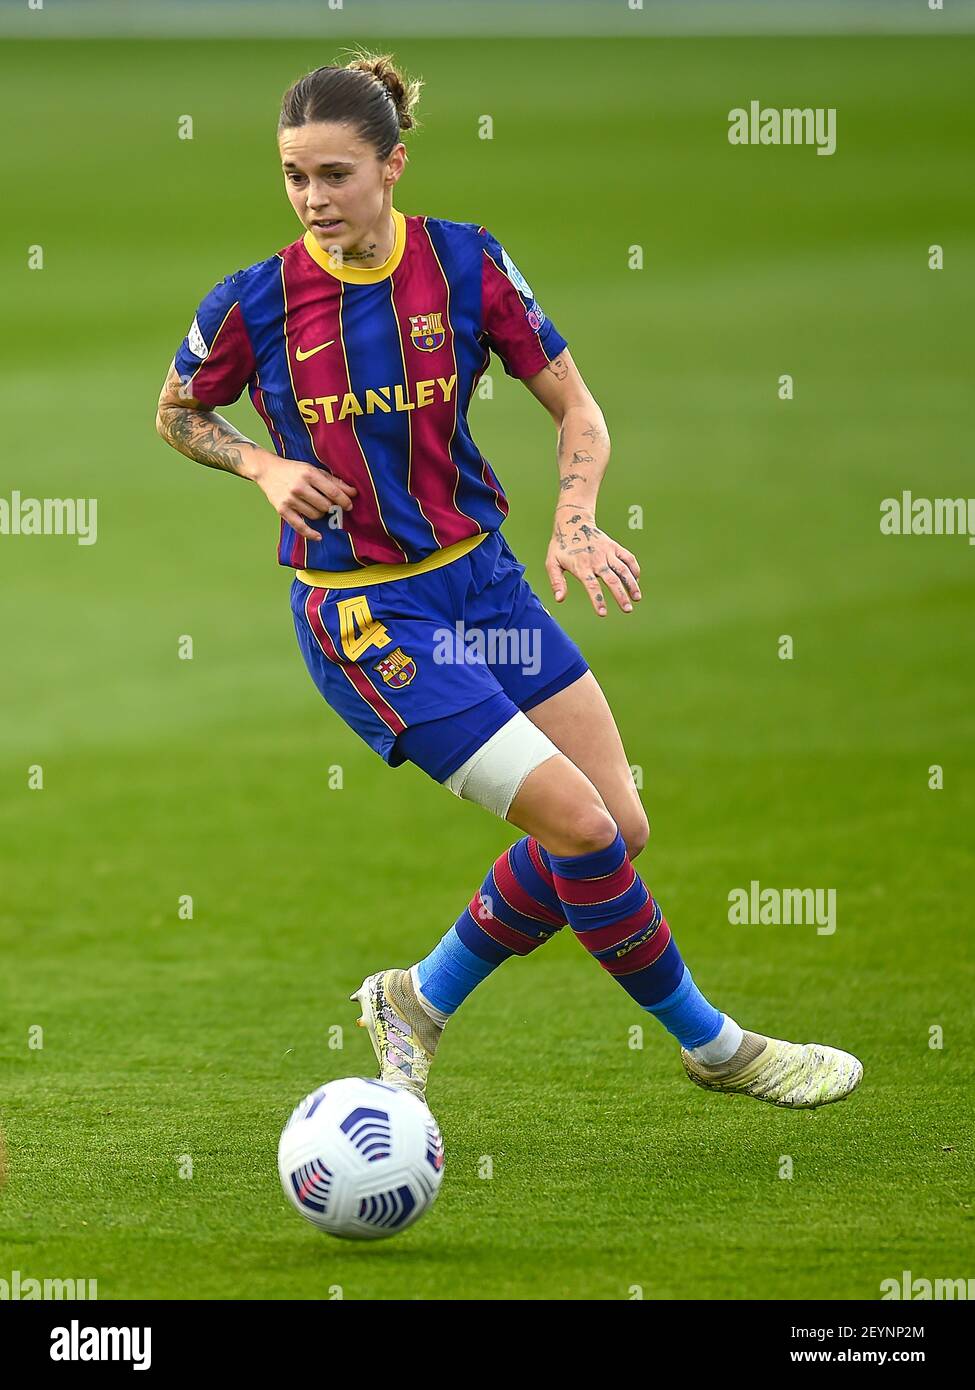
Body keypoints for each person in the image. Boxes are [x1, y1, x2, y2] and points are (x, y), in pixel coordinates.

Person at [155, 53, 863, 1112]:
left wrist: (574, 520)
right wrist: (260, 465)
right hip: (368, 613)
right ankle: (718, 1047)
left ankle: (416, 1000)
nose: (312, 199)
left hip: (484, 587)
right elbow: (176, 412)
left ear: (393, 166)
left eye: (336, 174)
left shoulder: (467, 265)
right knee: (577, 828)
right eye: (295, 175)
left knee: (617, 827)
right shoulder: (254, 303)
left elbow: (579, 410)